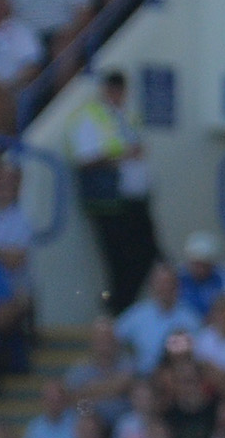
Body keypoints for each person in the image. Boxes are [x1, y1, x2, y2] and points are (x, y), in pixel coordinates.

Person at [67, 68, 157, 312]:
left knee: (147, 255)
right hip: (108, 201)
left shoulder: (126, 116)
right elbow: (85, 159)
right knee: (119, 259)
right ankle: (117, 309)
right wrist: (122, 155)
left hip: (133, 198)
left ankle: (121, 306)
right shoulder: (90, 117)